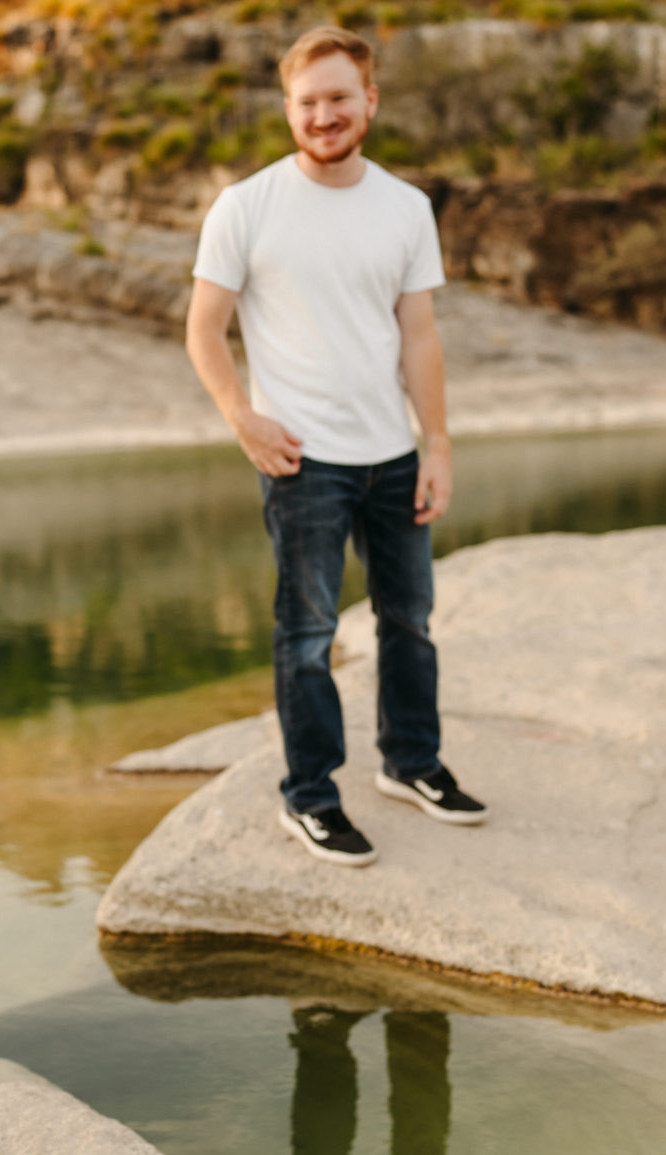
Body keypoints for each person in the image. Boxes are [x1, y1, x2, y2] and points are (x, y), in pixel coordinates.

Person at [186, 26, 487, 868]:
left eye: (339, 98)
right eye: (308, 101)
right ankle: (311, 796)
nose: (324, 115)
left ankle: (412, 762)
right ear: (288, 108)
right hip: (302, 461)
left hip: (393, 454)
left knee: (410, 621)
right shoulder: (246, 205)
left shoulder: (405, 206)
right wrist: (242, 416)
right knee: (308, 633)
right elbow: (204, 329)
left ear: (370, 101)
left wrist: (437, 444)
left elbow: (419, 336)